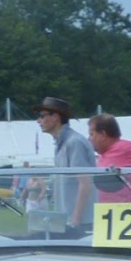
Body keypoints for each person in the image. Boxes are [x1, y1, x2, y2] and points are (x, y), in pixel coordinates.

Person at [32, 96, 97, 230]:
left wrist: (75, 221)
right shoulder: (61, 144)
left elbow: (85, 184)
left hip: (81, 223)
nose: (38, 120)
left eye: (42, 116)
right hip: (67, 221)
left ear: (55, 117)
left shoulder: (74, 142)